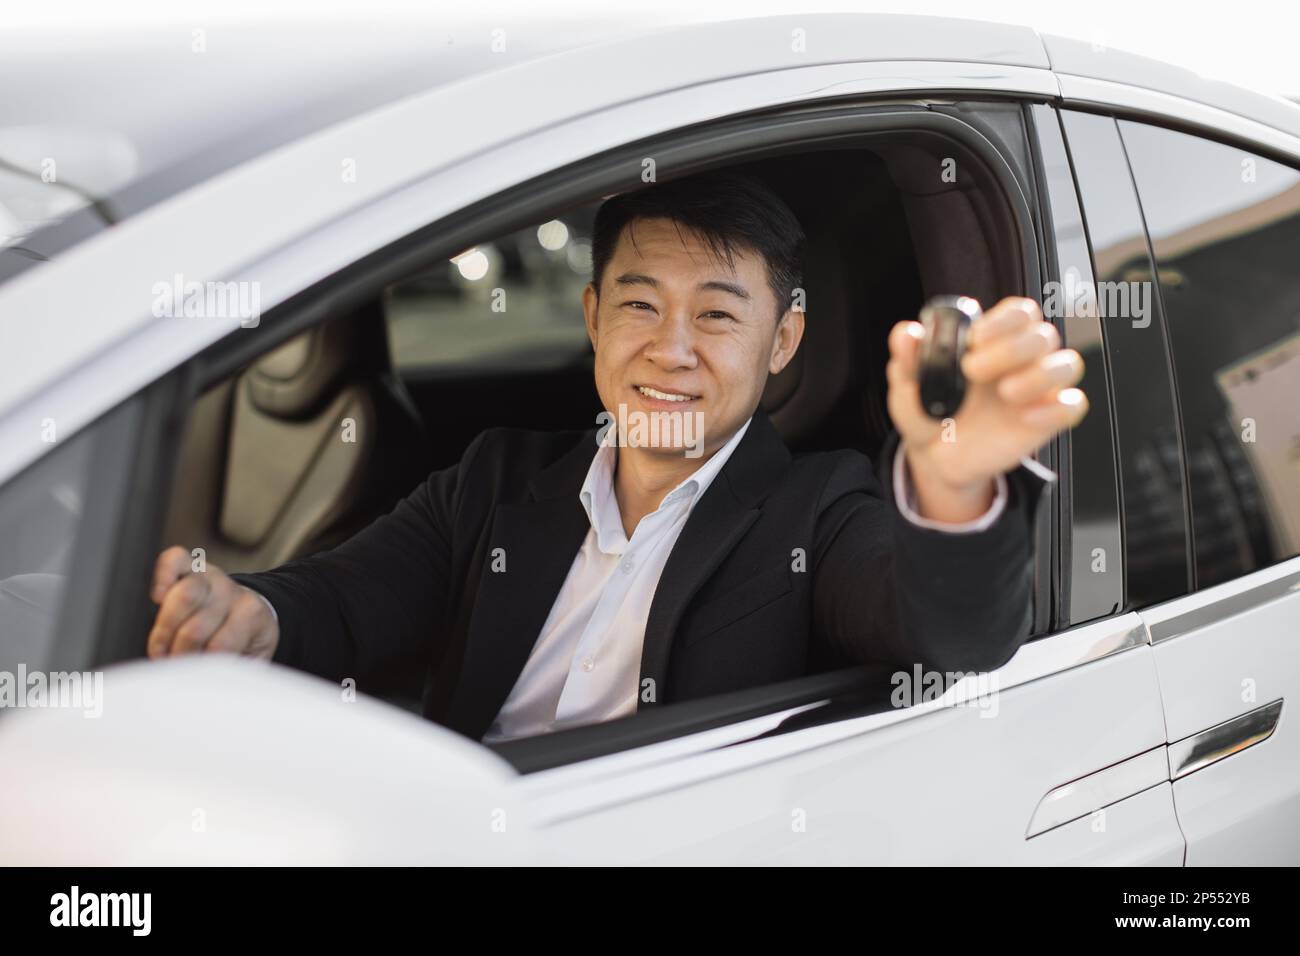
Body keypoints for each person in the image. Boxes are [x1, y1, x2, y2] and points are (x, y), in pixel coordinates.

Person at [146, 170, 1086, 742]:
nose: (670, 350)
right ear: (593, 319)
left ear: (784, 340)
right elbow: (348, 599)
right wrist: (253, 612)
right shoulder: (498, 481)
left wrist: (955, 481)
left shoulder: (819, 509)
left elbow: (950, 636)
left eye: (717, 315)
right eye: (640, 305)